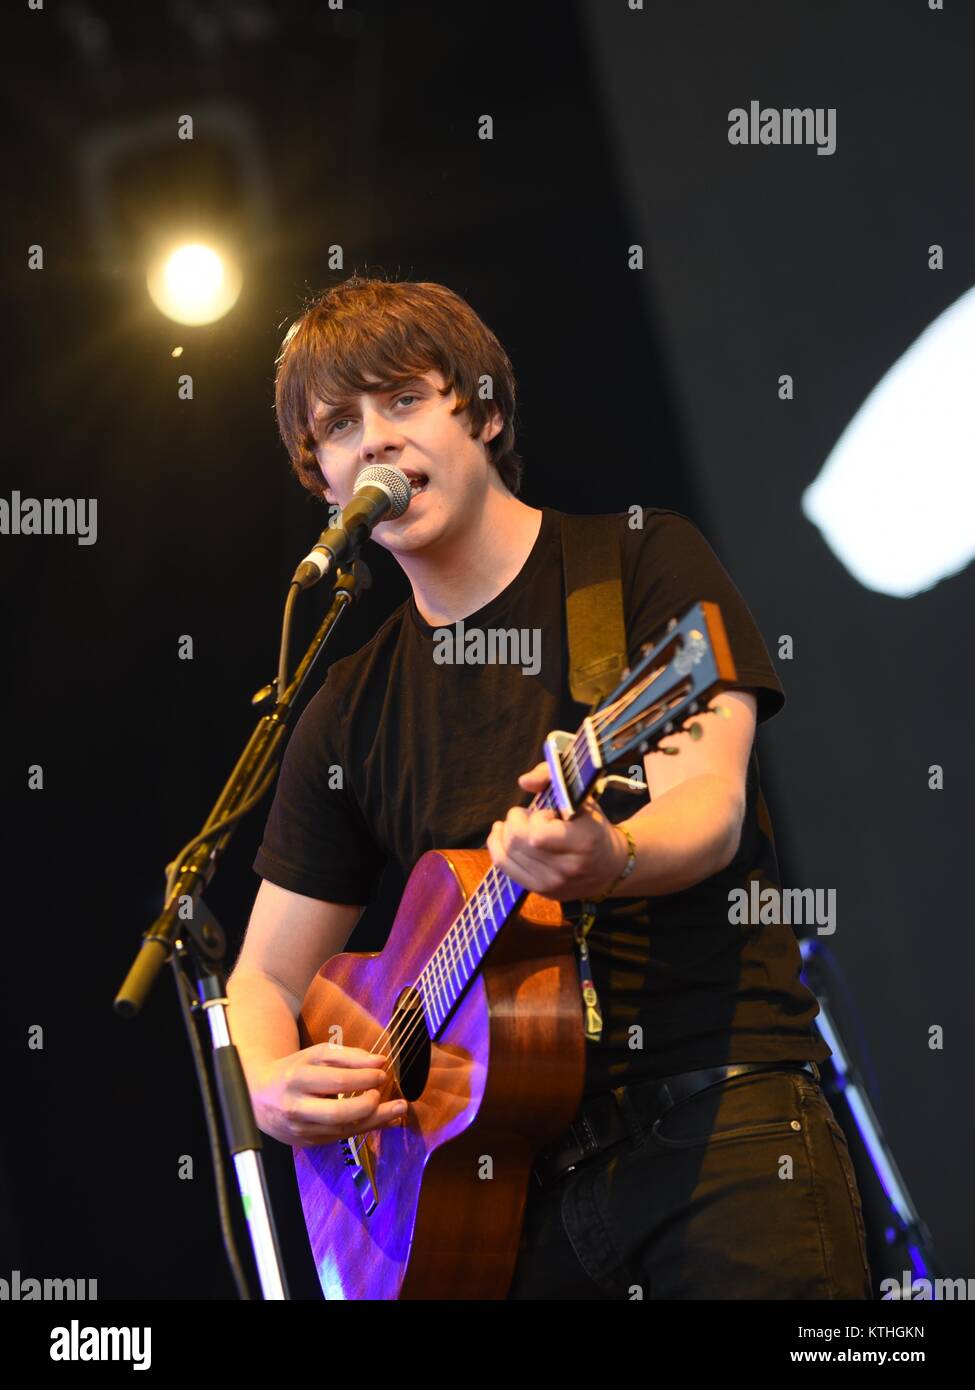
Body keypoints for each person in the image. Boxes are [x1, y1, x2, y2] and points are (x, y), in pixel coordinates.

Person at [226, 275, 872, 1300]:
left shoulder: (634, 561)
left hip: (717, 1127)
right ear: (323, 481)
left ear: (481, 411)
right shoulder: (346, 706)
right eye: (339, 427)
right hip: (504, 1201)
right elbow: (260, 981)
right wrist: (270, 1084)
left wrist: (612, 857)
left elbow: (705, 809)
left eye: (403, 399)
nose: (376, 443)